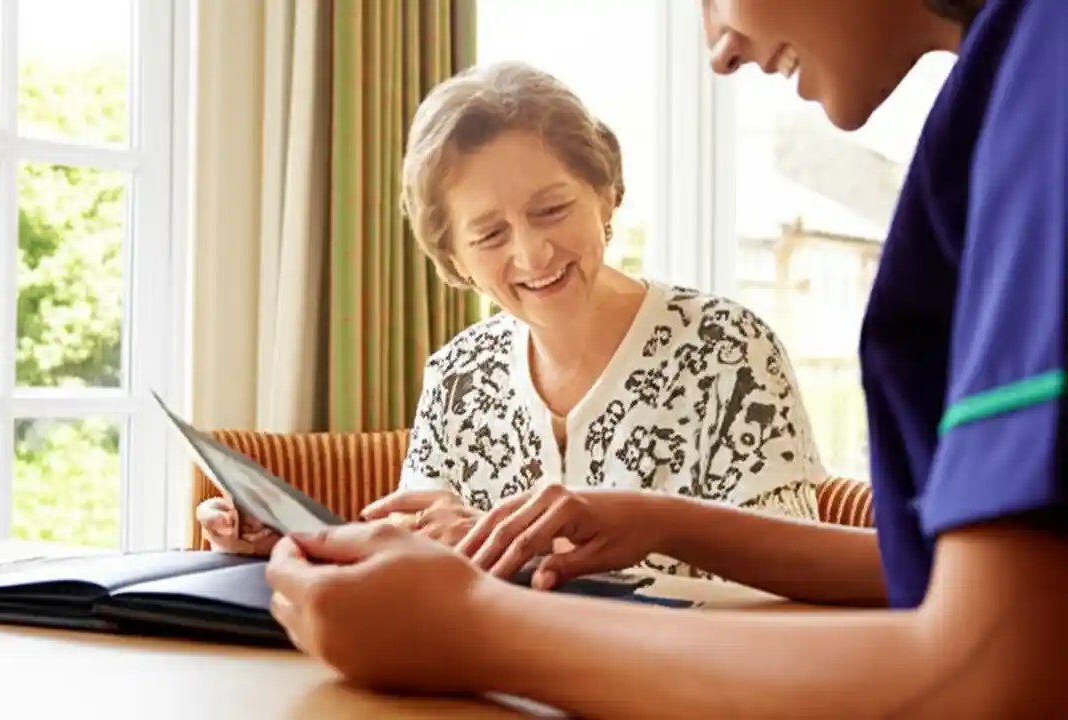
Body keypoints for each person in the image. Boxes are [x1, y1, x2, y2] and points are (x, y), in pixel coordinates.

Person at [263, 0, 1068, 715]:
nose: (717, 47)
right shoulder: (1014, 78)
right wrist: (647, 520)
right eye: (490, 233)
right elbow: (942, 583)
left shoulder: (1046, 71)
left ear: (606, 197)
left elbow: (997, 665)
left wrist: (475, 626)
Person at [199, 61, 829, 577]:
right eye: (491, 233)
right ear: (454, 259)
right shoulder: (457, 376)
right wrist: (293, 544)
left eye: (552, 210)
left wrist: (521, 552)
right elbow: (418, 554)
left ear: (606, 192)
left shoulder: (729, 351)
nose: (532, 254)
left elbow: (793, 582)